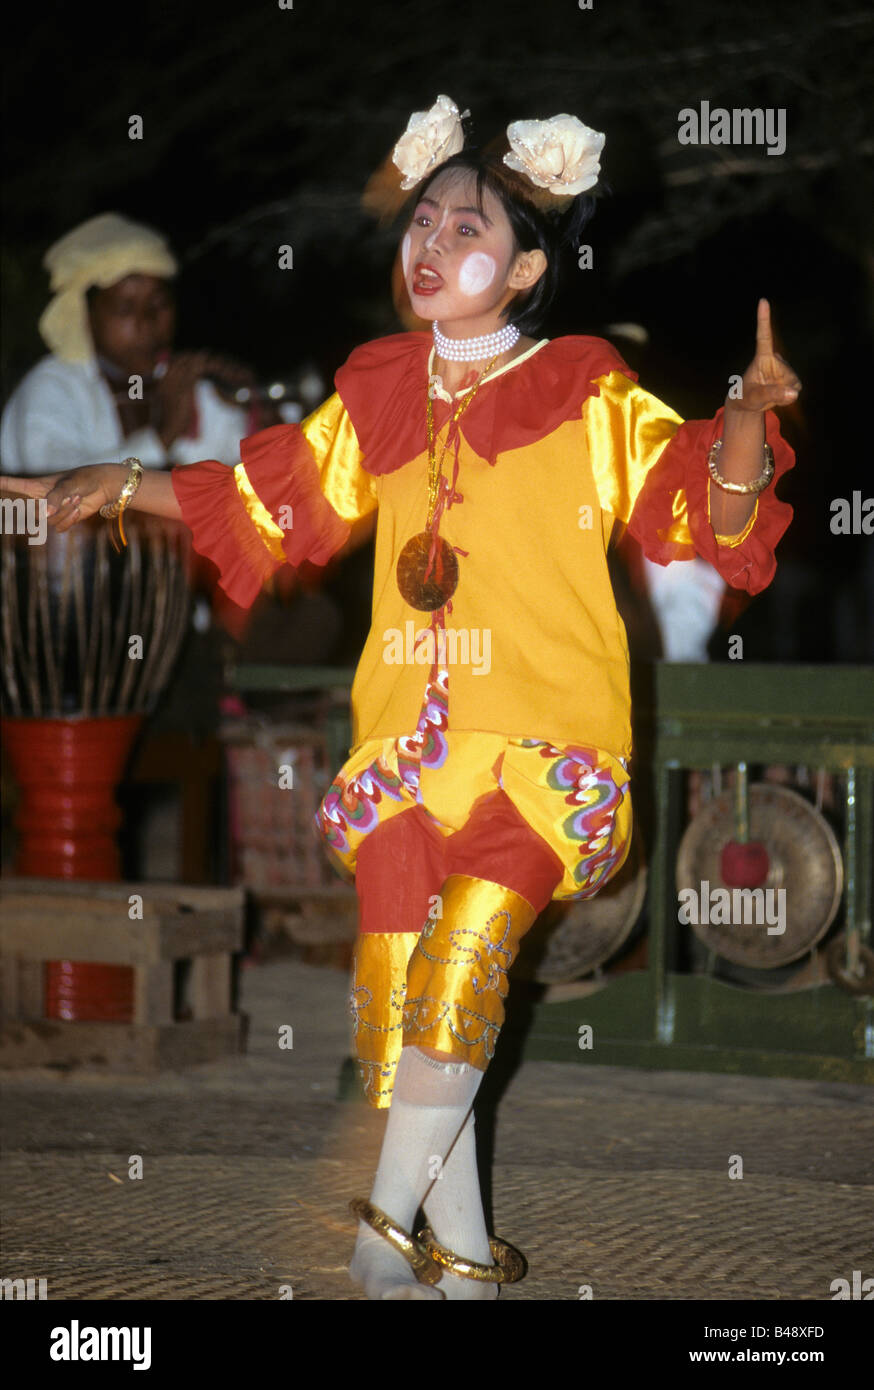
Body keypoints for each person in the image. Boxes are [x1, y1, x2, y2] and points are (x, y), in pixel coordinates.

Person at [2, 97, 801, 1299]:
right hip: (403, 748)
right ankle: (467, 1260)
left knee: (471, 958)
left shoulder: (586, 387)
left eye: (462, 227)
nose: (426, 246)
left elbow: (706, 512)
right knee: (401, 1006)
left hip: (538, 743)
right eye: (419, 221)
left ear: (526, 265)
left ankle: (380, 1239)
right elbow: (271, 500)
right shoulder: (379, 384)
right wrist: (116, 479)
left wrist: (742, 421)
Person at [1, 212, 259, 476]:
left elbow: (247, 475)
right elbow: (59, 493)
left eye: (159, 304)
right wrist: (161, 438)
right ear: (86, 317)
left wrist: (255, 411)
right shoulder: (51, 387)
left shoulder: (185, 384)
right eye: (125, 308)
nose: (147, 321)